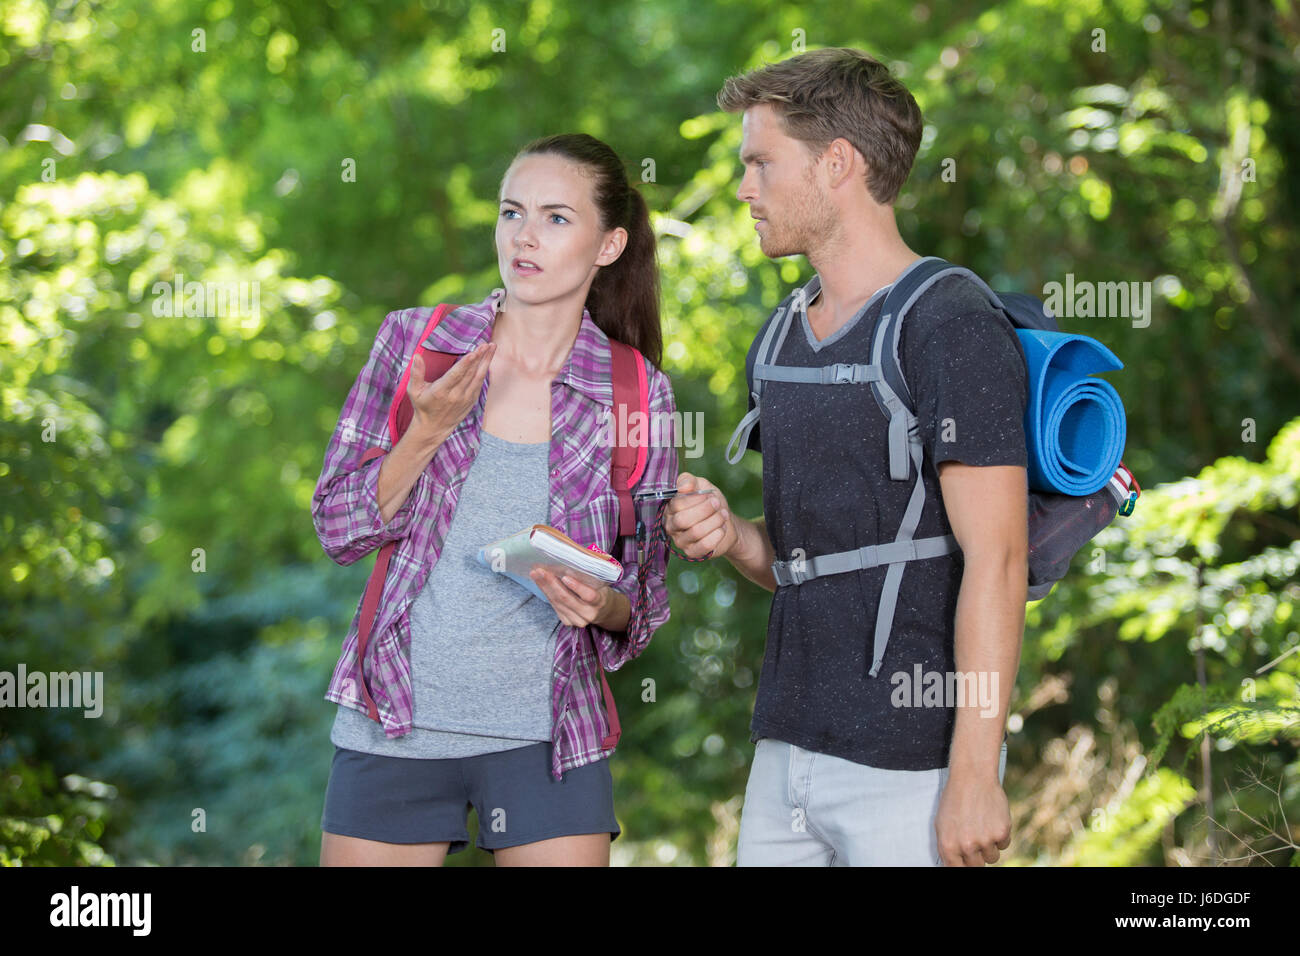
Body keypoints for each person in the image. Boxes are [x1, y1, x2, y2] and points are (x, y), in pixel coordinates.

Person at [666, 47, 1028, 867]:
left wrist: (975, 773)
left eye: (760, 162)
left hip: (915, 765)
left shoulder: (951, 323)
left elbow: (998, 560)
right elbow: (799, 562)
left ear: (837, 163)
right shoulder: (783, 334)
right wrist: (733, 536)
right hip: (786, 751)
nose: (742, 188)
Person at [312, 133, 678, 866]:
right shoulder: (417, 342)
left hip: (551, 739)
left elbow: (639, 604)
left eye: (555, 218)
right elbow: (337, 528)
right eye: (512, 212)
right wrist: (425, 434)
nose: (525, 237)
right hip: (397, 723)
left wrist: (593, 604)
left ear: (609, 245)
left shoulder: (637, 392)